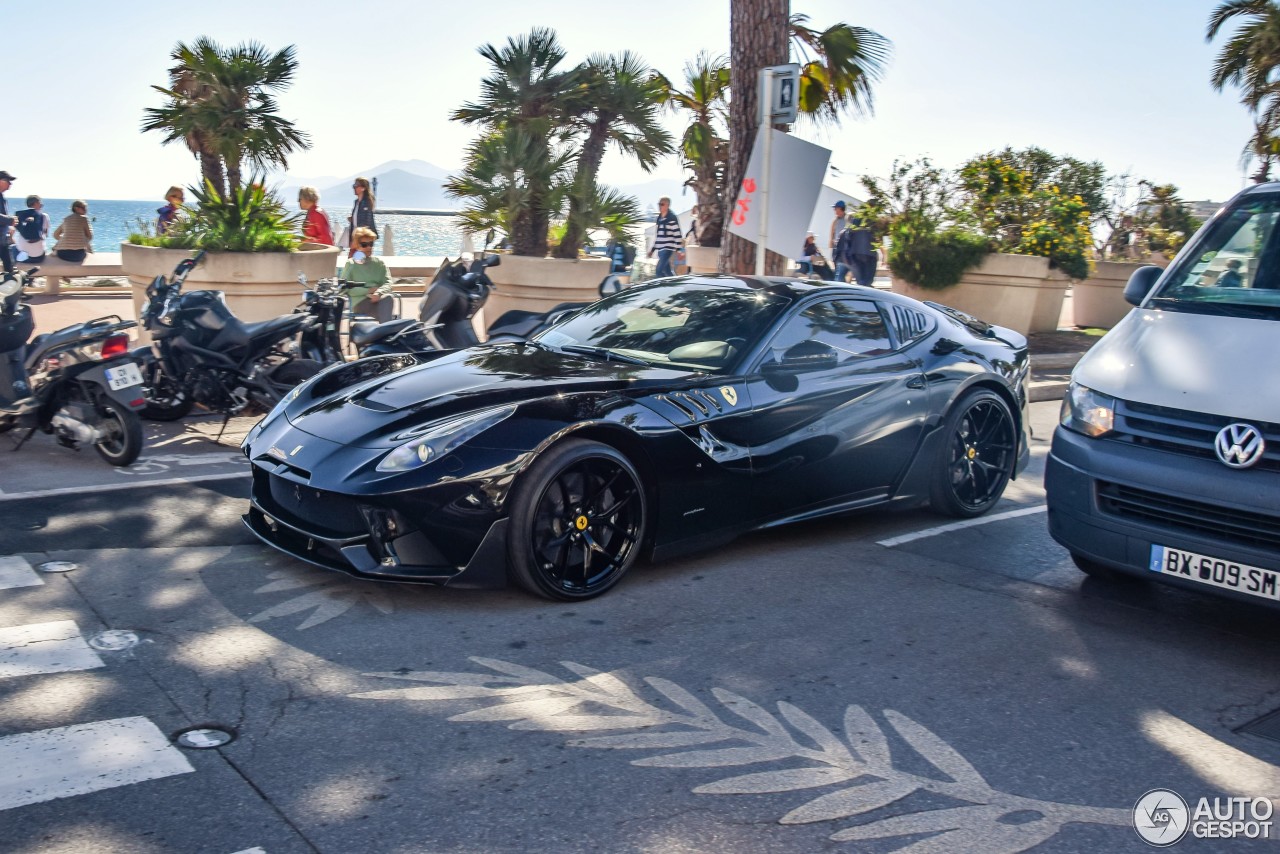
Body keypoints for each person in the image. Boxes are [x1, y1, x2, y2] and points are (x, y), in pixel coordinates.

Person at [342, 226, 394, 322]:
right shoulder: (351, 264)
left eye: (371, 244)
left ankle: (385, 329)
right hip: (360, 302)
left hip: (379, 299)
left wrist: (378, 293)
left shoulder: (379, 263)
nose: (369, 247)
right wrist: (368, 290)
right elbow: (344, 288)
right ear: (357, 246)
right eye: (364, 244)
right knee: (384, 312)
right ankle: (387, 331)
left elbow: (388, 283)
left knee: (388, 298)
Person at [834, 211, 877, 287]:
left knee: (861, 281)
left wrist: (846, 257)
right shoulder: (872, 222)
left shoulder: (852, 226)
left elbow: (847, 241)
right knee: (867, 281)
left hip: (855, 255)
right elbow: (877, 239)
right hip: (869, 255)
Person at [648, 196, 682, 278]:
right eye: (659, 204)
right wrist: (652, 250)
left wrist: (679, 250)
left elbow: (677, 234)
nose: (660, 206)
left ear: (667, 205)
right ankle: (675, 285)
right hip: (660, 249)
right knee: (667, 272)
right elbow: (658, 235)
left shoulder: (671, 217)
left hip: (667, 249)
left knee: (658, 271)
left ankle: (662, 288)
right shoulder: (659, 218)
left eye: (662, 204)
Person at [13, 195, 49, 264]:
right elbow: (46, 235)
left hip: (21, 257)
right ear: (36, 203)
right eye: (40, 202)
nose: (42, 204)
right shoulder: (44, 216)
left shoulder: (21, 215)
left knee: (13, 247)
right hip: (37, 257)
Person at [348, 176, 377, 256]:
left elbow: (366, 223)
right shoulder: (356, 202)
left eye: (356, 185)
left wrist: (358, 239)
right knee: (352, 261)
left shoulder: (367, 202)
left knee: (356, 261)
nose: (354, 187)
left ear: (363, 188)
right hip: (356, 238)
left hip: (362, 240)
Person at [0, 170, 16, 274]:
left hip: (2, 239)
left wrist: (9, 226)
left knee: (9, 268)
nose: (10, 184)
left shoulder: (1, 196)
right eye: (8, 181)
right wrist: (9, 220)